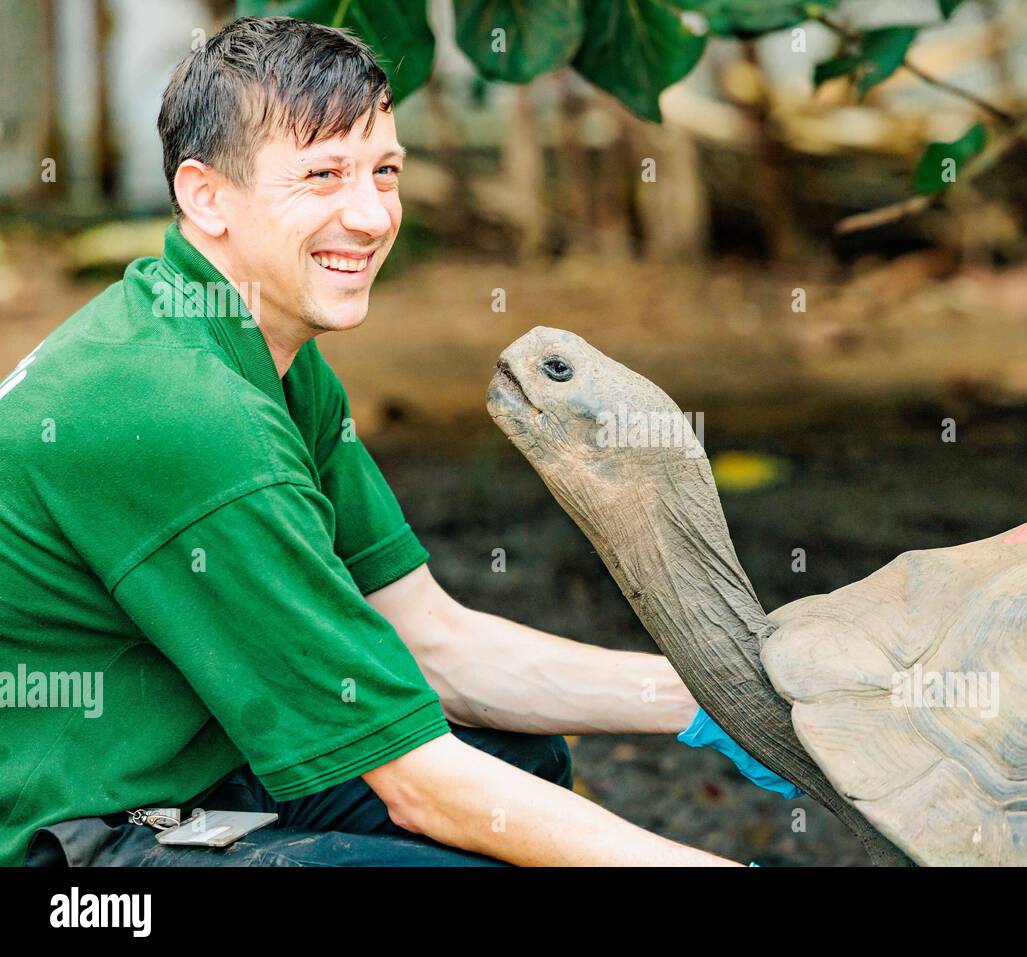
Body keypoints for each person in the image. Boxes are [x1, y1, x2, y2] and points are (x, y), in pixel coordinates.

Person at [0, 16, 794, 867]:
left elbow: (430, 641)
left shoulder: (253, 347)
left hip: (193, 771)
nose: (372, 215)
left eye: (384, 170)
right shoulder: (184, 411)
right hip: (74, 847)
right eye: (322, 175)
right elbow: (418, 782)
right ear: (205, 196)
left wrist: (711, 698)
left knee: (516, 763)